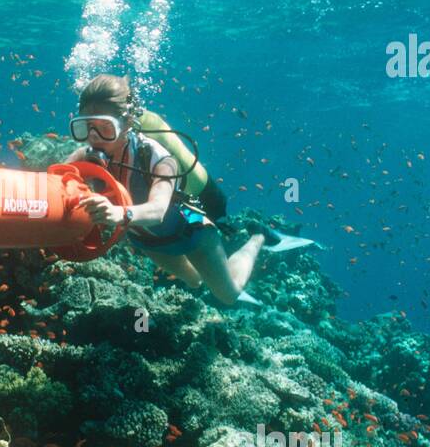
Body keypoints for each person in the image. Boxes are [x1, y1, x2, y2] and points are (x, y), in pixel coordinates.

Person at [65, 73, 276, 306]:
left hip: (191, 231)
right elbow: (55, 180)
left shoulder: (155, 156)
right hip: (147, 240)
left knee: (228, 295)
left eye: (106, 128)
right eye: (86, 128)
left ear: (127, 124)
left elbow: (157, 210)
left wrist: (119, 214)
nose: (94, 139)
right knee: (194, 282)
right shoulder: (85, 156)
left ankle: (258, 237)